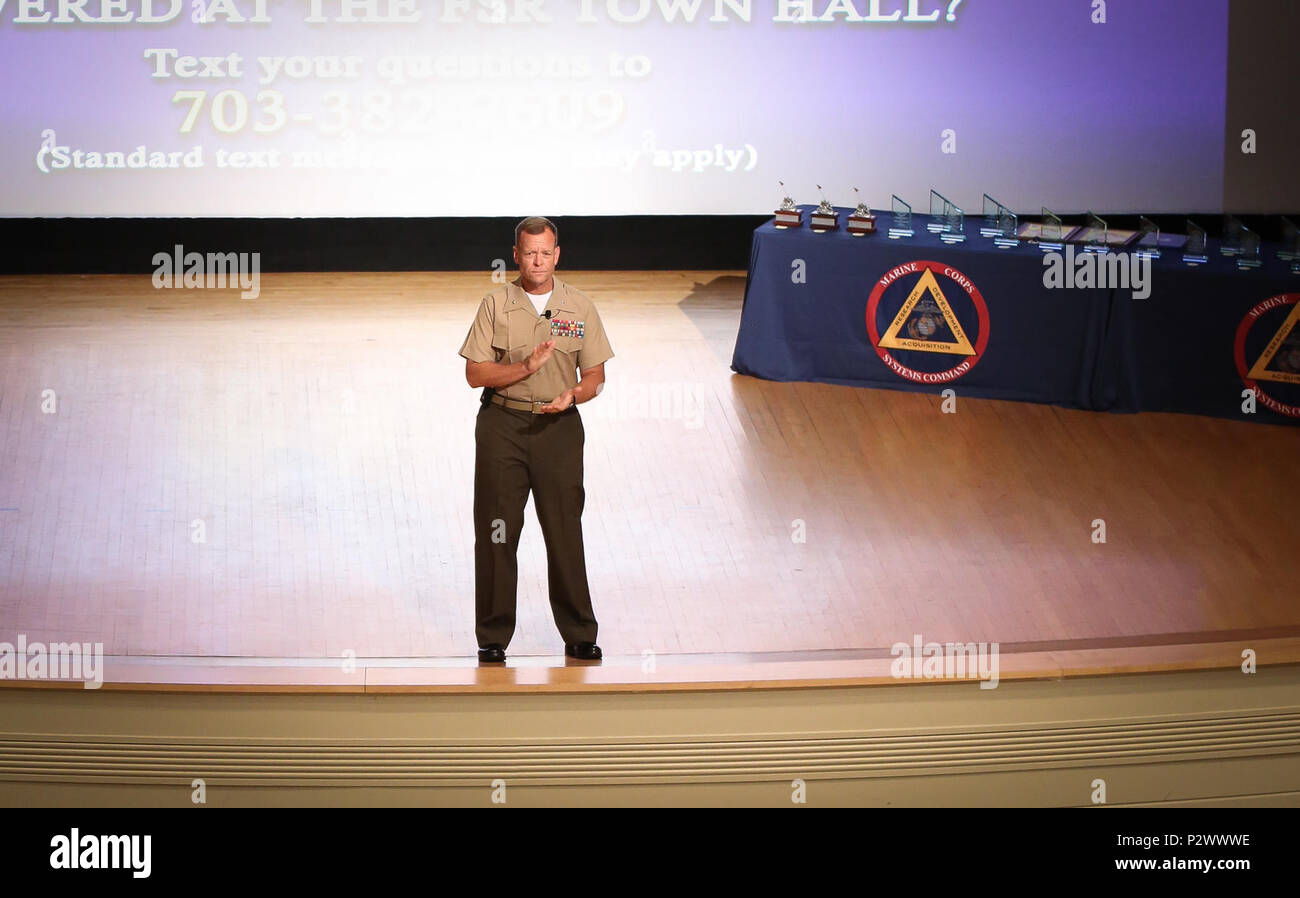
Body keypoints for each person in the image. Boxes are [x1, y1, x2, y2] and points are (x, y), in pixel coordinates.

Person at [457, 216, 614, 664]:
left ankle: (580, 633)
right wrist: (524, 368)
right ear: (516, 255)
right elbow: (474, 373)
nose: (538, 260)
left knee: (564, 530)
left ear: (557, 254)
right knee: (496, 533)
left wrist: (576, 394)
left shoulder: (579, 307)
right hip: (501, 428)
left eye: (546, 252)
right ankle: (492, 637)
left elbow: (597, 376)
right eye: (530, 253)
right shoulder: (495, 305)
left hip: (558, 431)